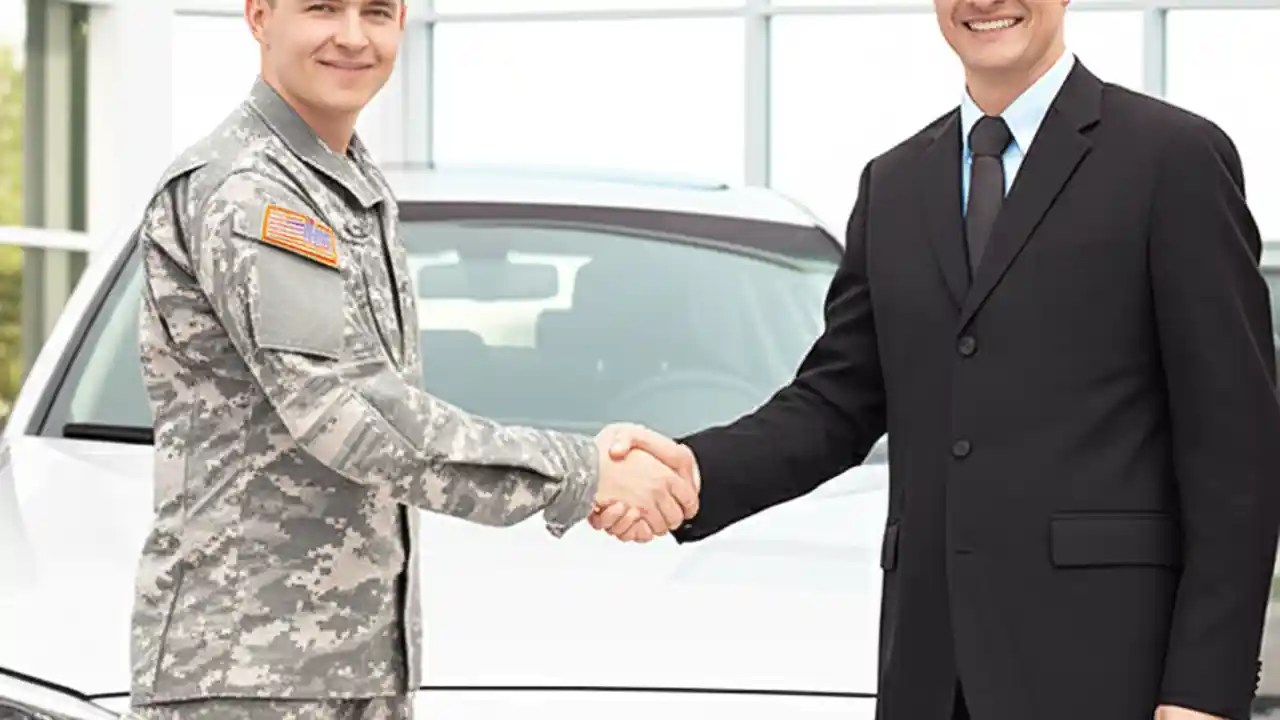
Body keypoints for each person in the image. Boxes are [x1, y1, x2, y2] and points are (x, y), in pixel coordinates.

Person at [596, 0, 1280, 718]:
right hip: (929, 673)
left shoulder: (1172, 160)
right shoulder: (893, 185)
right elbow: (835, 405)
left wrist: (1203, 691)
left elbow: (1237, 447)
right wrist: (692, 472)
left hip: (1107, 671)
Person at [125, 1, 699, 719]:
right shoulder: (249, 188)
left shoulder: (342, 182)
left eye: (377, 11)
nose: (352, 36)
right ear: (260, 15)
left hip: (346, 668)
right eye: (322, 7)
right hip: (247, 679)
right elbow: (350, 415)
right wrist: (582, 472)